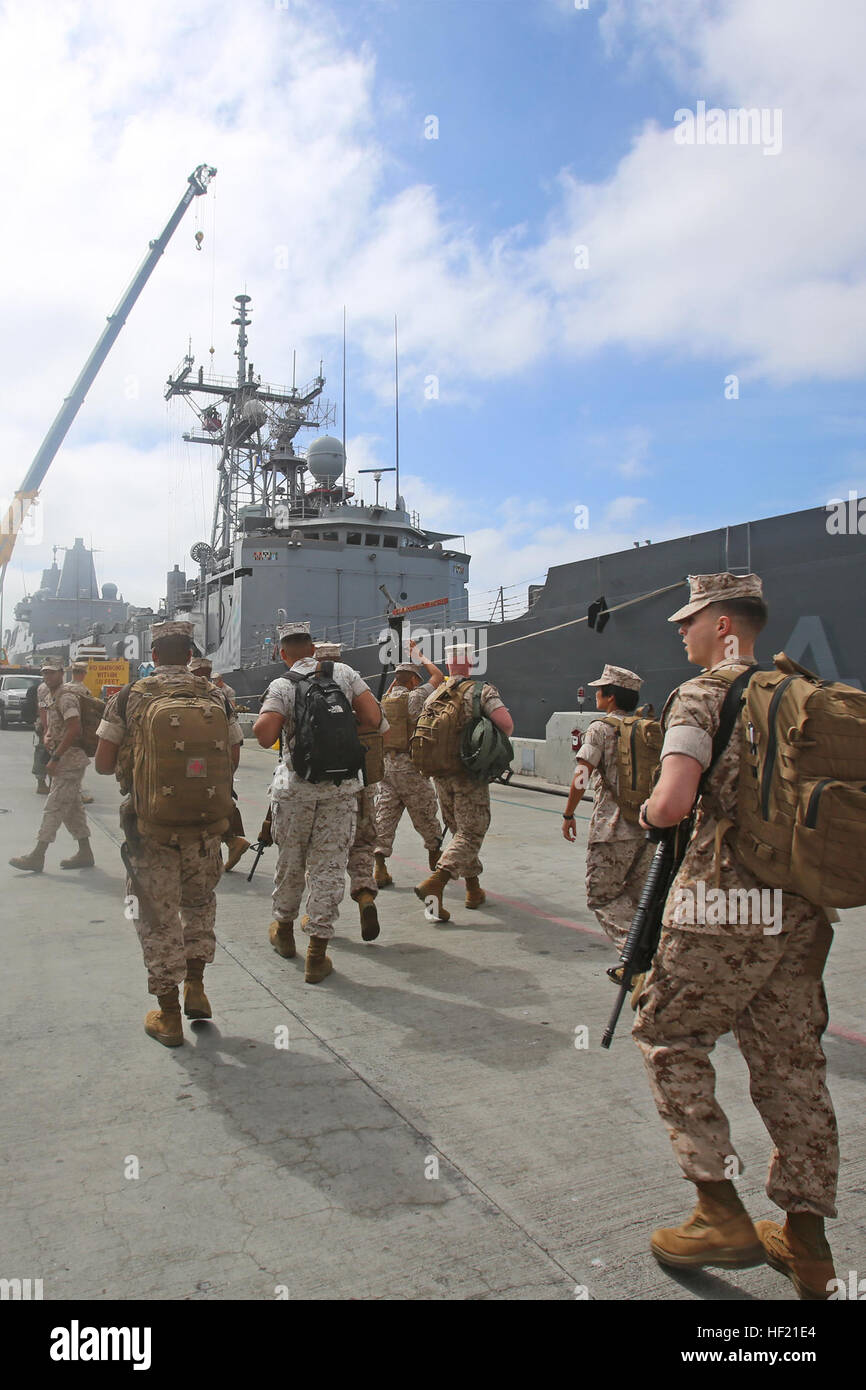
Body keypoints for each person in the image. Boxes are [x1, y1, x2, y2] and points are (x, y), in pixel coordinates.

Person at [632, 572, 839, 1298]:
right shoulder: (803, 694)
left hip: (724, 905)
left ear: (724, 624)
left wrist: (650, 818)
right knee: (791, 1062)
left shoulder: (701, 694)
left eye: (688, 619)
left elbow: (672, 800)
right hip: (801, 908)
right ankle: (809, 1246)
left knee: (669, 1034)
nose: (680, 631)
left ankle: (718, 1210)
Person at [93, 620, 243, 1048]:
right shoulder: (215, 695)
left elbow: (103, 764)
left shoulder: (130, 697)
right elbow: (231, 757)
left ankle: (169, 1014)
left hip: (151, 827)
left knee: (156, 915)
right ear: (190, 653)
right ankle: (197, 985)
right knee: (199, 902)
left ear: (154, 654)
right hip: (205, 825)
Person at [253, 623, 383, 982]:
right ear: (312, 647)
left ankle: (283, 931)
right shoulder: (344, 674)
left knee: (291, 861)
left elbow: (264, 736)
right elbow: (374, 718)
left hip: (294, 790)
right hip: (341, 790)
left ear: (283, 653)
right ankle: (317, 953)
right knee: (328, 867)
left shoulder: (282, 685)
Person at [413, 642, 513, 921]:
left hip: (441, 775)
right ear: (470, 662)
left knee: (459, 833)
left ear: (447, 664)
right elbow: (506, 725)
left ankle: (473, 889)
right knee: (471, 833)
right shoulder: (481, 691)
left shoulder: (435, 695)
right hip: (469, 776)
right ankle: (438, 881)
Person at [561, 664, 654, 952]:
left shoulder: (599, 729)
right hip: (648, 829)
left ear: (610, 697)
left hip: (612, 829)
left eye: (599, 690)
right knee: (641, 900)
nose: (595, 694)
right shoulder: (648, 729)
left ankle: (634, 959)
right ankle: (651, 955)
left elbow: (582, 775)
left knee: (601, 896)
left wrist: (568, 814)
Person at [10, 659, 94, 872]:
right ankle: (85, 852)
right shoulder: (50, 694)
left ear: (61, 673)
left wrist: (55, 758)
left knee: (54, 807)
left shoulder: (66, 697)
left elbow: (74, 729)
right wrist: (48, 735)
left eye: (52, 673)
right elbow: (52, 724)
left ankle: (38, 855)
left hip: (70, 759)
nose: (47, 677)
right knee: (73, 809)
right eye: (45, 673)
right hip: (62, 756)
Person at [373, 639, 445, 887]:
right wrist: (419, 655)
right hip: (412, 769)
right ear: (414, 681)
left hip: (387, 769)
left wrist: (401, 674)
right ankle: (436, 866)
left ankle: (379, 869)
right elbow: (438, 676)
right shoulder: (417, 696)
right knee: (426, 815)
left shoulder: (384, 700)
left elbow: (397, 686)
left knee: (385, 815)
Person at [189, 655, 249, 871]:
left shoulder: (184, 695)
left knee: (198, 807)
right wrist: (230, 770)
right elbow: (236, 738)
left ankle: (229, 843)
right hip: (219, 763)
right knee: (218, 801)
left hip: (194, 764)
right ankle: (231, 842)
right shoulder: (219, 697)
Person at [68, 661, 95, 803]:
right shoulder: (84, 691)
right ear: (84, 673)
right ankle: (77, 794)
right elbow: (90, 714)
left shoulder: (64, 688)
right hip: (79, 732)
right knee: (78, 765)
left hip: (62, 731)